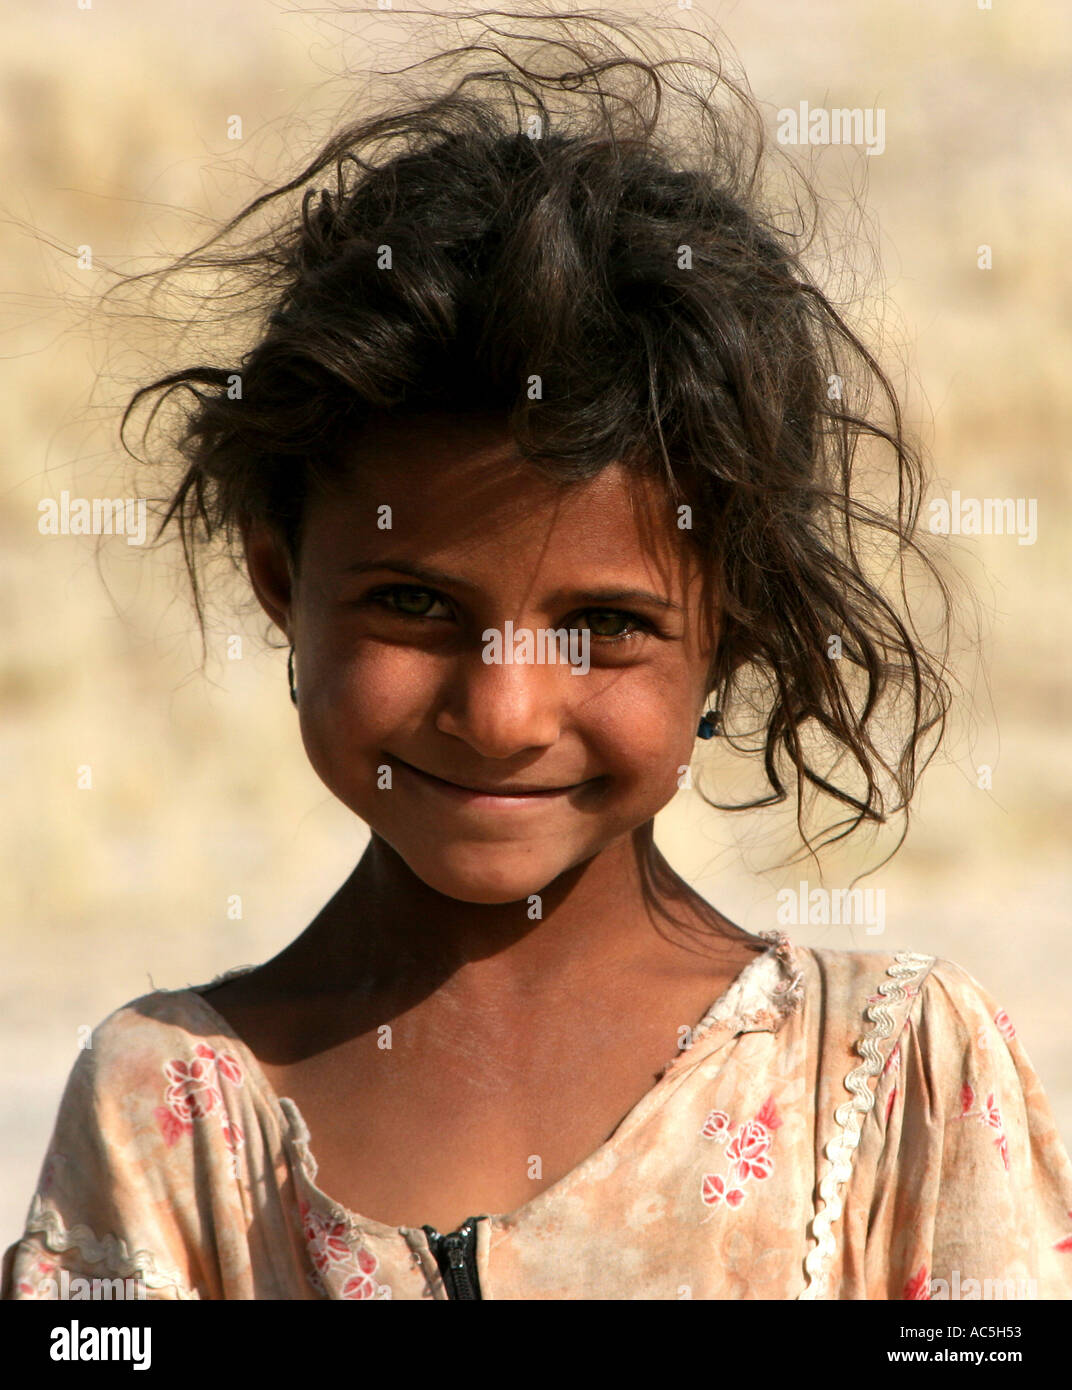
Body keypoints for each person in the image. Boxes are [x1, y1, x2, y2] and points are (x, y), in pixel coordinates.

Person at [5, 12, 1071, 1301]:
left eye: (604, 627)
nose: (503, 713)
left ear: (727, 624)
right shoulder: (165, 1113)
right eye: (414, 604)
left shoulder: (895, 1084)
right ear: (283, 580)